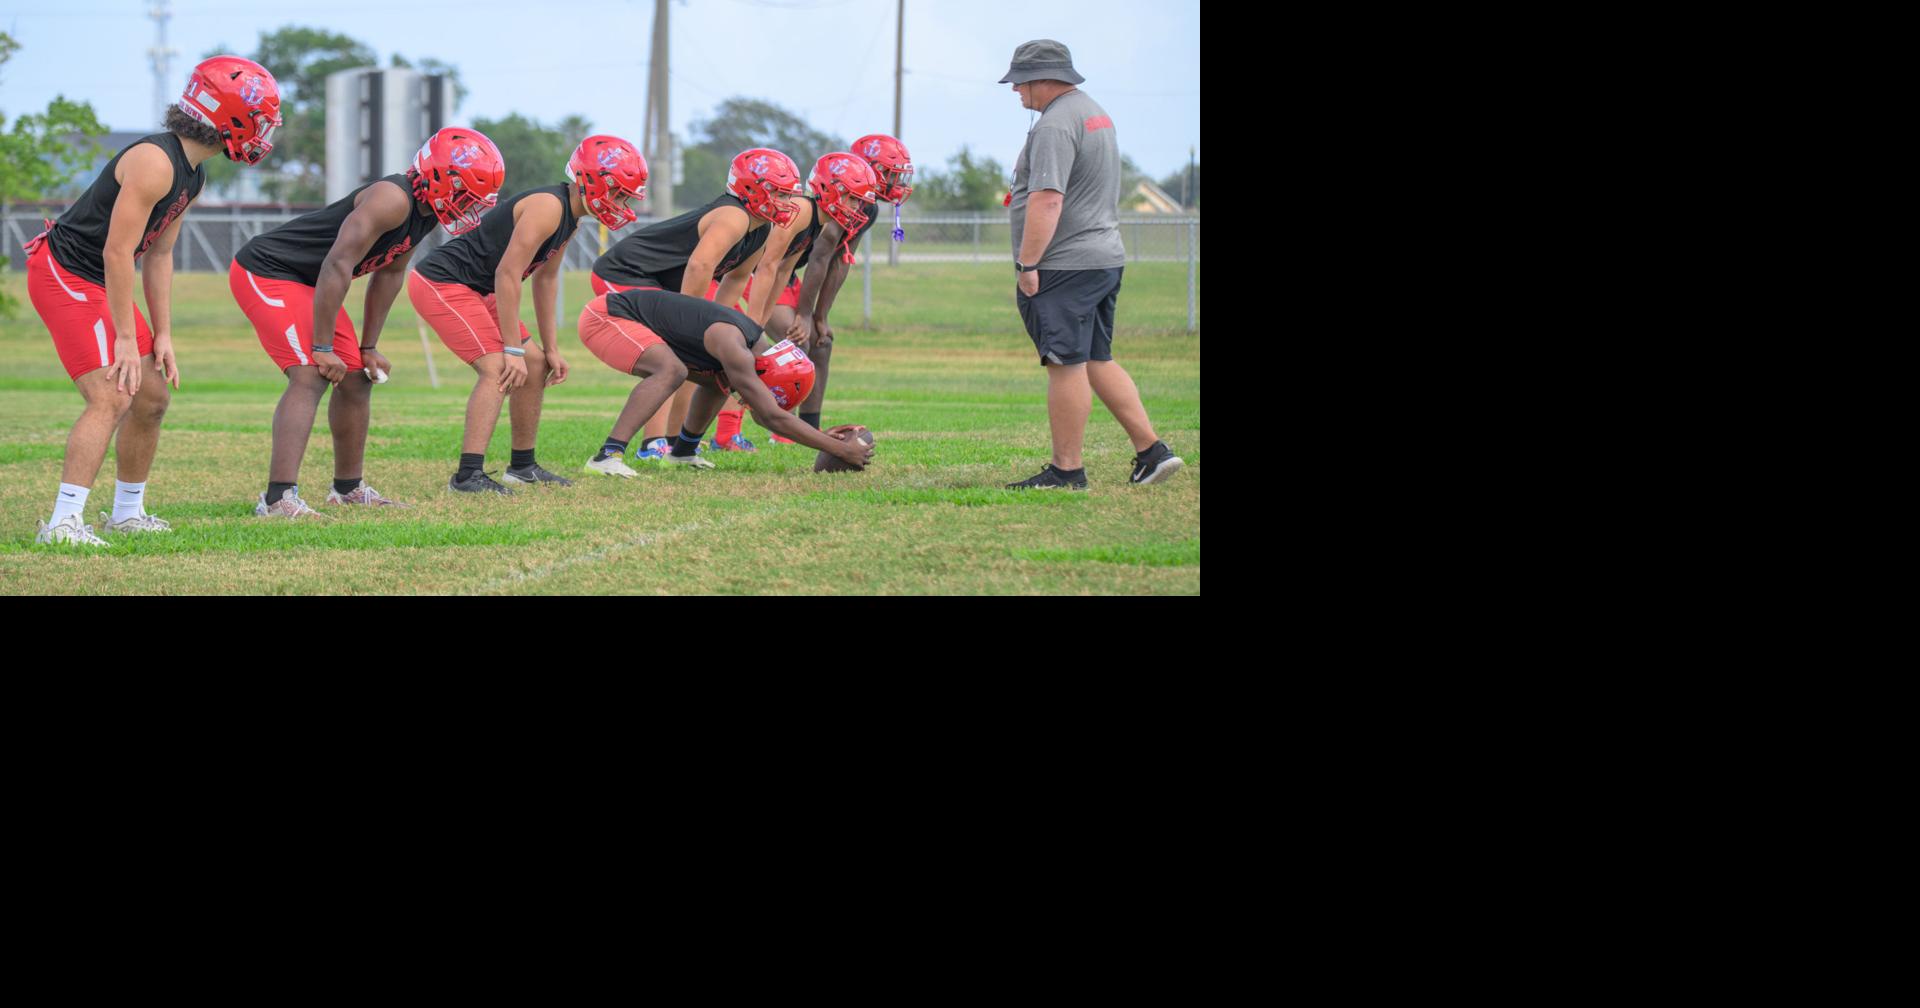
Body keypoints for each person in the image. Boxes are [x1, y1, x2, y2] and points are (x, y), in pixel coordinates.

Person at [25, 55, 281, 545]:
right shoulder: (154, 161)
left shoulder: (194, 173)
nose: (261, 133)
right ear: (226, 115)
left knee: (152, 397)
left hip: (100, 276)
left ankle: (126, 513)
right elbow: (117, 252)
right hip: (68, 272)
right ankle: (62, 524)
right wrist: (125, 337)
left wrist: (162, 332)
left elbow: (158, 253)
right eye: (258, 120)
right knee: (112, 394)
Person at [233, 126, 504, 517]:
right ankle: (277, 498)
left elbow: (390, 272)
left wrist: (368, 346)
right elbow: (338, 263)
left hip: (312, 281)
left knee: (358, 377)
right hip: (270, 271)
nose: (468, 207)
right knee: (311, 373)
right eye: (465, 195)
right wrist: (323, 347)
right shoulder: (393, 198)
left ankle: (348, 489)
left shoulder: (424, 212)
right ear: (439, 177)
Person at [409, 134, 646, 494]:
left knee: (536, 363)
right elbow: (508, 274)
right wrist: (511, 348)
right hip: (444, 284)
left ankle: (522, 466)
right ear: (594, 182)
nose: (622, 202)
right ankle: (467, 476)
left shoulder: (570, 216)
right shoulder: (548, 206)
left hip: (480, 289)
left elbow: (546, 280)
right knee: (498, 369)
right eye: (619, 193)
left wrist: (549, 347)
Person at [998, 40, 1182, 489]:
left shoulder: (1055, 126)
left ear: (1044, 78)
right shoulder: (1092, 112)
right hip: (1102, 257)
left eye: (1020, 81)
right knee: (1097, 358)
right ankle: (1152, 452)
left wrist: (1028, 263)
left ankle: (1067, 470)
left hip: (1066, 264)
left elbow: (1047, 199)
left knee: (1065, 362)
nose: (1015, 90)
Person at [585, 148, 803, 464]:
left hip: (659, 284)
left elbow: (736, 279)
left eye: (787, 194)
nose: (785, 202)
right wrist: (690, 324)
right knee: (670, 359)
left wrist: (718, 325)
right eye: (778, 192)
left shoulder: (761, 226)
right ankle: (653, 444)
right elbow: (700, 266)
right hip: (625, 274)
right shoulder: (735, 215)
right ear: (752, 187)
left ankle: (678, 444)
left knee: (704, 360)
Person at [575, 287, 872, 477]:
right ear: (769, 374)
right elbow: (771, 417)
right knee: (671, 370)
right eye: (767, 390)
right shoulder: (735, 345)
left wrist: (821, 437)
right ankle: (607, 456)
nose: (756, 398)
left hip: (630, 318)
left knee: (719, 379)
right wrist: (840, 450)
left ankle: (683, 452)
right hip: (605, 317)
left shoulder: (753, 346)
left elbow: (768, 411)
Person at [715, 151, 879, 449]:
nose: (859, 208)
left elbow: (785, 270)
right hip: (741, 272)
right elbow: (767, 264)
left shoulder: (823, 216)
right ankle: (726, 433)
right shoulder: (803, 210)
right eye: (853, 199)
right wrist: (755, 324)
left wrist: (812, 317)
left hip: (768, 275)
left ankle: (776, 429)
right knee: (754, 353)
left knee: (767, 352)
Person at [784, 134, 913, 434]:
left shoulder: (868, 208)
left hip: (787, 274)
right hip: (768, 273)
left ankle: (810, 428)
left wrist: (821, 316)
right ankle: (780, 430)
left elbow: (841, 260)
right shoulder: (842, 201)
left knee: (821, 342)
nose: (897, 181)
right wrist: (805, 315)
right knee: (796, 343)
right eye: (891, 173)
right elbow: (818, 257)